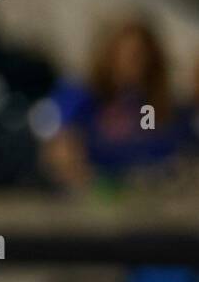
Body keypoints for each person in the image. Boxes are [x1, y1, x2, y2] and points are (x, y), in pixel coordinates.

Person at [42, 17, 187, 190]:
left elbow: (162, 151)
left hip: (146, 193)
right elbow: (59, 145)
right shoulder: (82, 96)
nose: (131, 64)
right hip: (92, 192)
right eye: (123, 55)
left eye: (138, 56)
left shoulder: (155, 106)